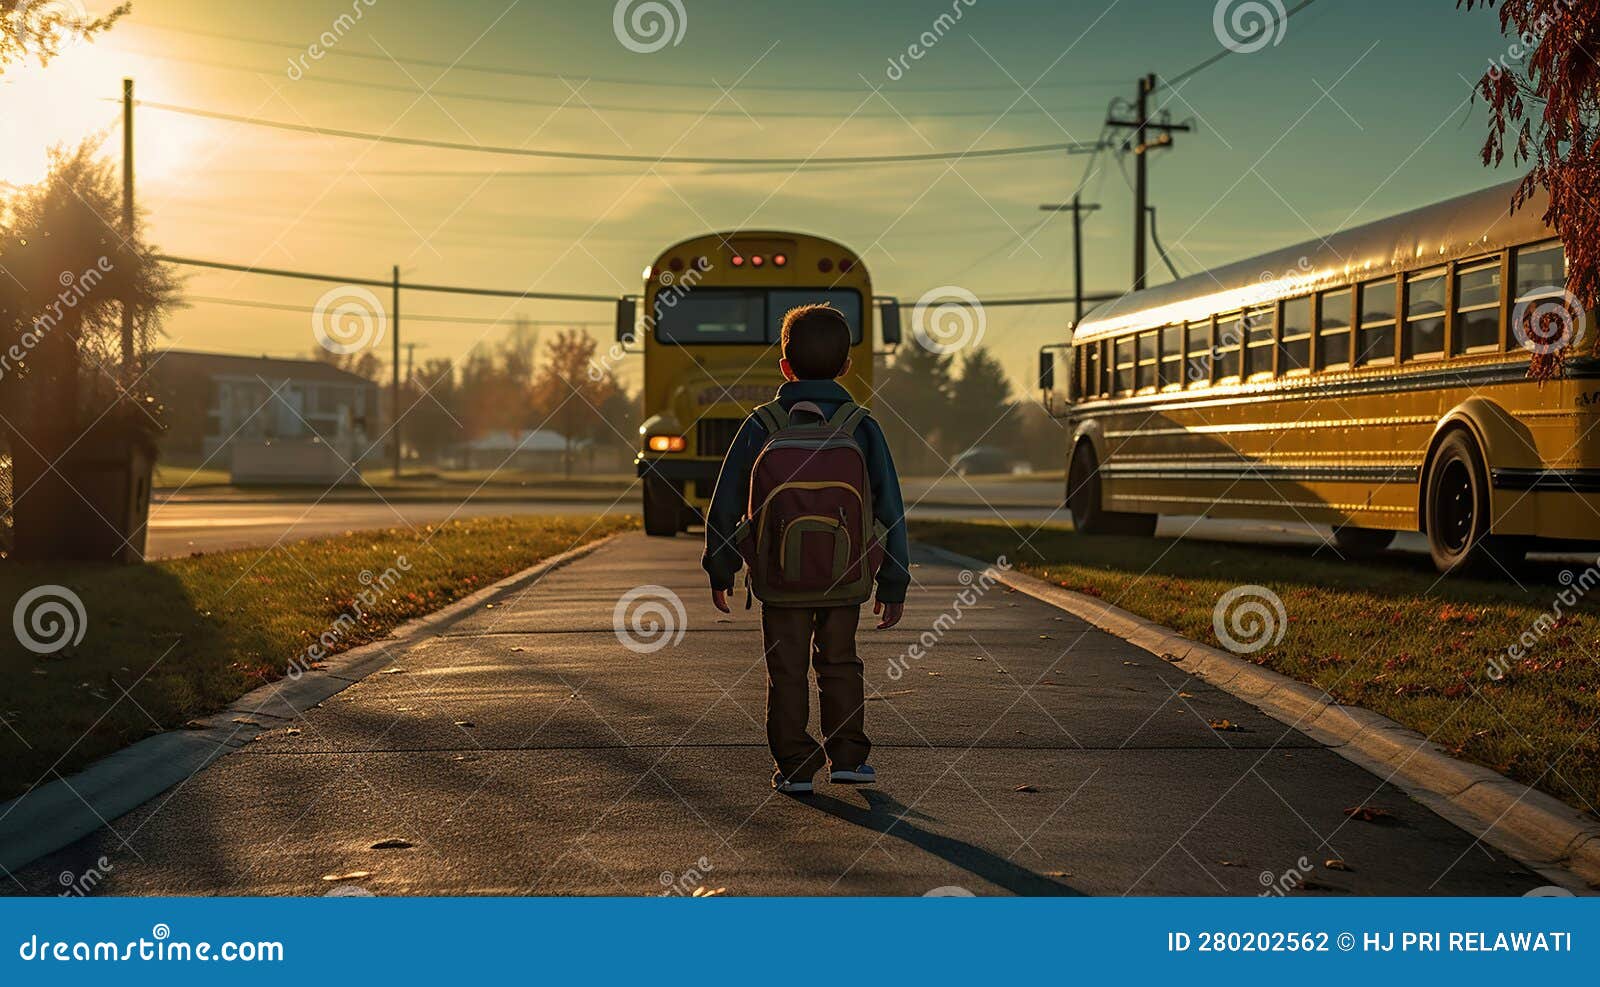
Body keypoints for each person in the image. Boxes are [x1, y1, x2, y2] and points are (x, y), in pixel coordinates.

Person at [702, 303, 910, 794]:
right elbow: (889, 506)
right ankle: (849, 759)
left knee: (786, 668)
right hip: (846, 573)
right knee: (840, 660)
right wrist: (894, 580)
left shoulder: (761, 423)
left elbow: (728, 498)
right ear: (845, 367)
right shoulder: (862, 426)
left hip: (779, 575)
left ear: (784, 365)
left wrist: (721, 566)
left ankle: (795, 764)